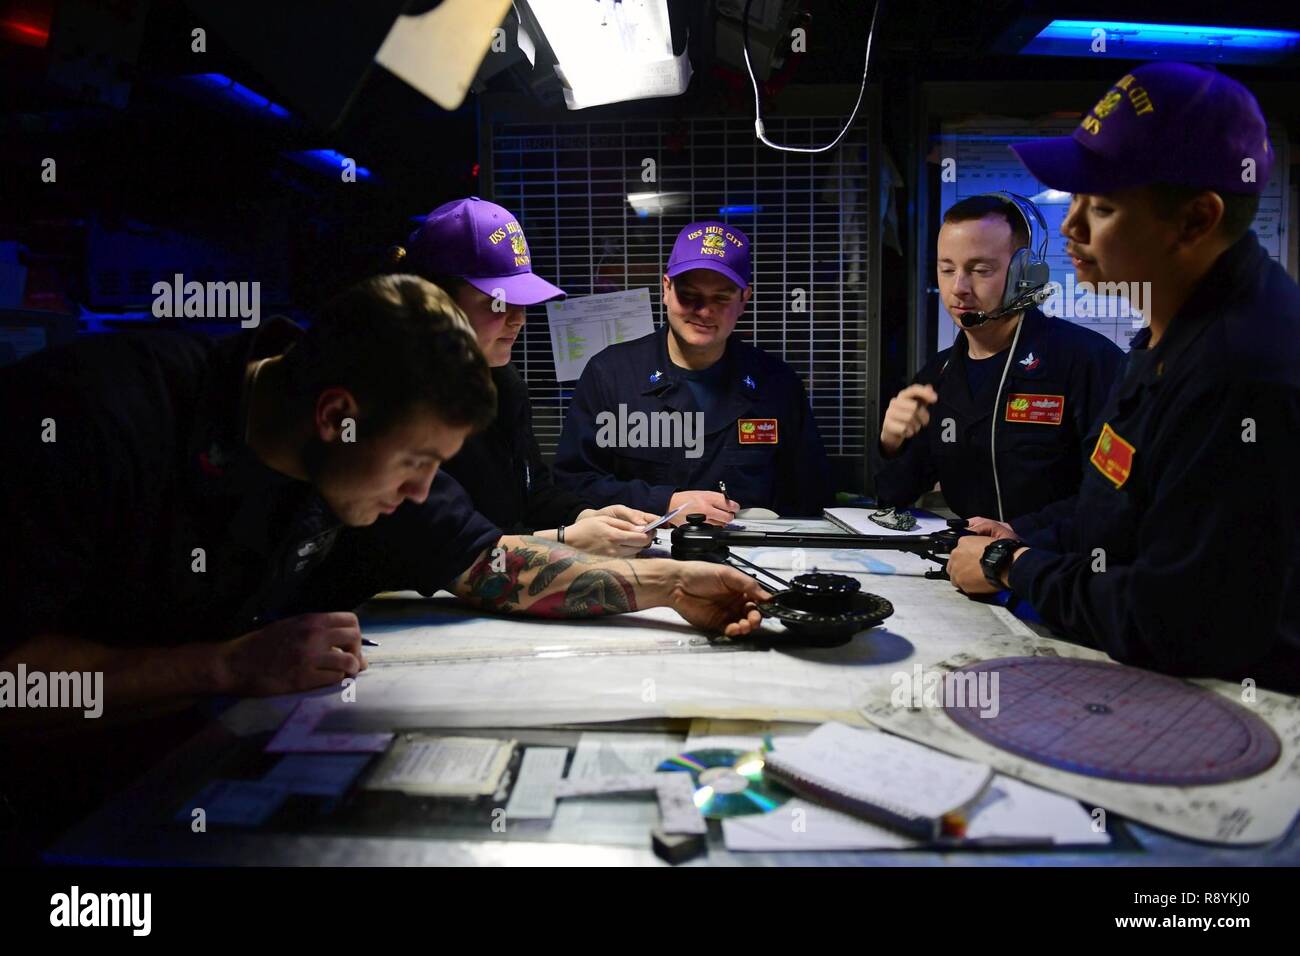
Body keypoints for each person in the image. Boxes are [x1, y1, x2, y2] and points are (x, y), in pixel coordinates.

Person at [0, 274, 770, 721]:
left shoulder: (360, 449)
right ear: (335, 415)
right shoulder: (95, 419)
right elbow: (15, 681)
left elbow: (491, 563)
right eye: (416, 463)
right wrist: (226, 667)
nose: (421, 491)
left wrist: (671, 585)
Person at [947, 62, 1300, 688]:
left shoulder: (1242, 371)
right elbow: (1117, 509)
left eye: (1102, 206)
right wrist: (1026, 534)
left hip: (1230, 710)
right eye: (1076, 199)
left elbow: (1173, 619)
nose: (1070, 226)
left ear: (1196, 220)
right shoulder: (1169, 329)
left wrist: (1011, 563)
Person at [397, 197, 655, 557]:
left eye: (521, 302)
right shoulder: (399, 403)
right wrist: (565, 539)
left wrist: (586, 516)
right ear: (437, 303)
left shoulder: (504, 384)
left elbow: (535, 493)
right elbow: (440, 549)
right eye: (498, 303)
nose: (519, 319)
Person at [554, 220, 833, 524]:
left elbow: (811, 496)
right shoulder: (611, 375)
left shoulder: (778, 385)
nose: (704, 311)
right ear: (666, 289)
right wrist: (665, 503)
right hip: (642, 548)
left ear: (744, 299)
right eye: (689, 295)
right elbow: (572, 485)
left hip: (749, 549)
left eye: (721, 298)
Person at [874, 194, 1123, 523]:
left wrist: (1018, 537)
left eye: (980, 270)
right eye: (946, 269)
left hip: (1054, 554)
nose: (958, 287)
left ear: (1025, 274)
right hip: (966, 553)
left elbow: (1114, 496)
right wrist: (892, 444)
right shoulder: (937, 376)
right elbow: (892, 498)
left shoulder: (1089, 361)